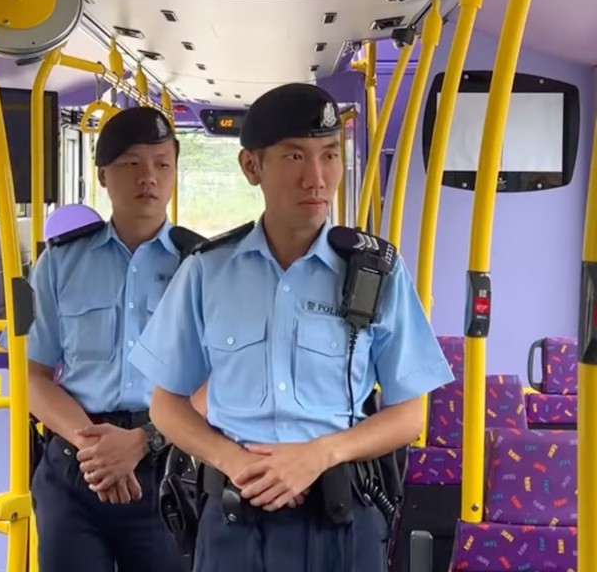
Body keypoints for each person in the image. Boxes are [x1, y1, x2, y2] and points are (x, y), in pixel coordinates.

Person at [128, 83, 455, 571]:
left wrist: (321, 454)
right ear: (251, 167)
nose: (317, 178)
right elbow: (167, 406)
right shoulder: (207, 271)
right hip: (234, 521)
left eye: (329, 155)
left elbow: (410, 417)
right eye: (295, 157)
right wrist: (232, 460)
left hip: (342, 521)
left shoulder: (374, 272)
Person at [26, 105, 194, 572]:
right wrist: (95, 448)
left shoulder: (201, 266)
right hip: (75, 465)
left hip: (167, 466)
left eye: (163, 165)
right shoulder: (60, 263)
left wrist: (142, 440)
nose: (149, 178)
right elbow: (33, 374)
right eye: (132, 165)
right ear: (103, 175)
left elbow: (218, 380)